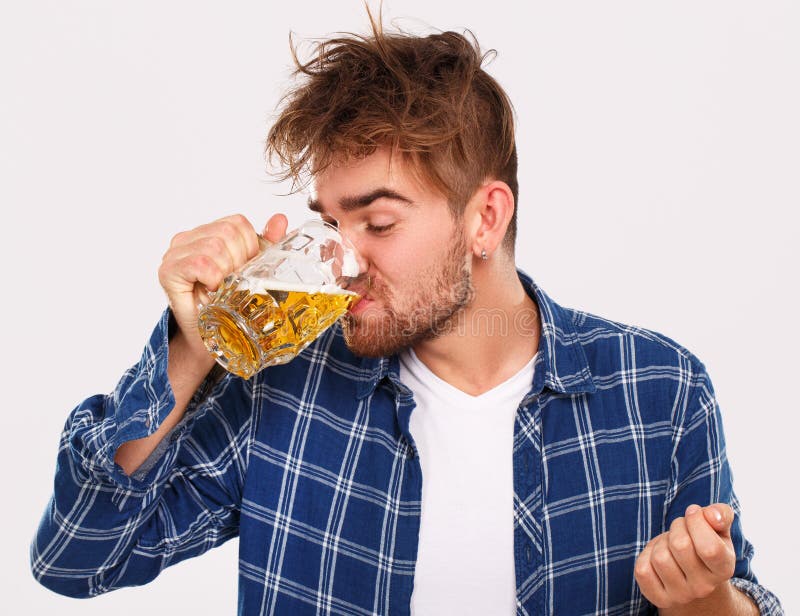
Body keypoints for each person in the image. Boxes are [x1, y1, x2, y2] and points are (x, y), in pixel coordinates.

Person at [31, 14, 783, 616]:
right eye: (328, 222)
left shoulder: (659, 390)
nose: (341, 261)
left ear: (484, 218)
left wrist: (706, 601)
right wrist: (190, 348)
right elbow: (77, 559)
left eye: (379, 224)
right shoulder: (285, 384)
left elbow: (728, 601)